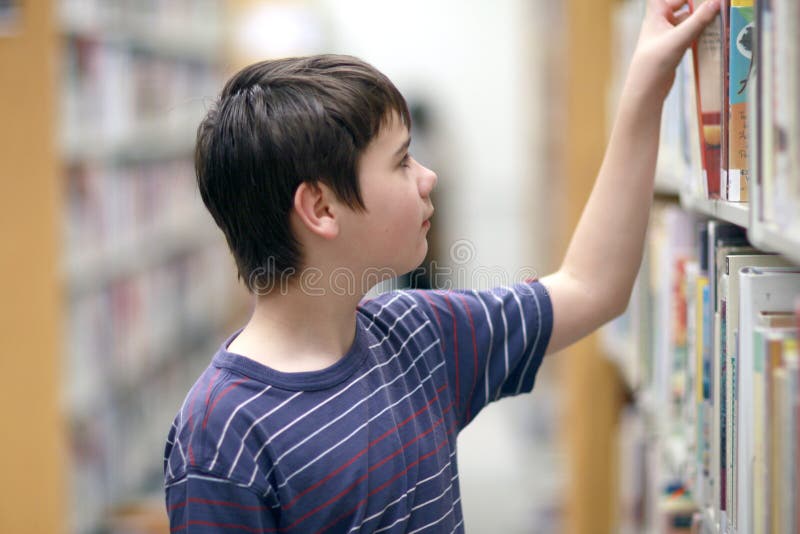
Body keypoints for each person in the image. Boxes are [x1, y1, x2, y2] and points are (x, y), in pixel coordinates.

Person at [163, 1, 720, 531]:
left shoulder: (420, 337)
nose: (428, 176)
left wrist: (648, 78)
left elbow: (591, 286)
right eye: (402, 160)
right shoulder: (222, 436)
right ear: (321, 208)